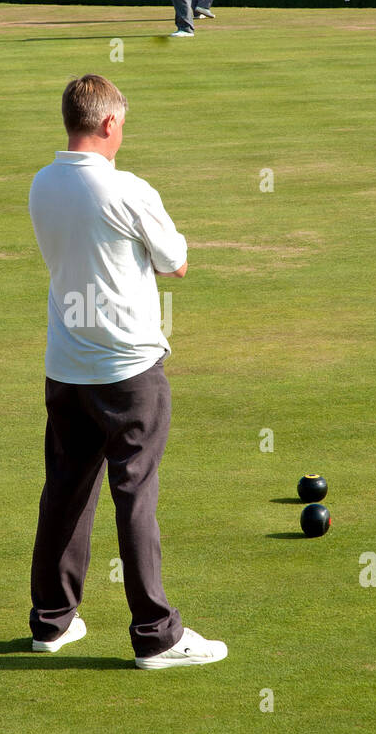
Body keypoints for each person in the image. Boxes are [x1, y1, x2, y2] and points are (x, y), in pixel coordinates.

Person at [27, 75, 228, 670]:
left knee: (65, 490)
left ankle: (52, 623)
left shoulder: (41, 183)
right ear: (109, 123)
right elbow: (177, 264)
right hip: (129, 370)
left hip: (65, 368)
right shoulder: (129, 189)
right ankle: (156, 635)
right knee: (134, 493)